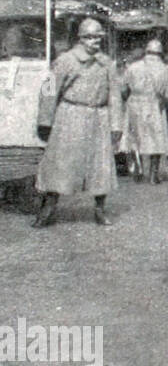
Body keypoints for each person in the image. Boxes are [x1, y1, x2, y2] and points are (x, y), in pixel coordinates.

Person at [32, 16, 123, 227]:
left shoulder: (107, 64)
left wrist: (116, 125)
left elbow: (115, 97)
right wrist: (45, 121)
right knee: (59, 165)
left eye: (98, 38)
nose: (95, 41)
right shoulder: (65, 61)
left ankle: (100, 210)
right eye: (90, 38)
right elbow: (48, 90)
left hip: (98, 117)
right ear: (81, 38)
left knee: (101, 167)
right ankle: (48, 209)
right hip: (69, 116)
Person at [121, 38, 168, 184]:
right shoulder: (165, 70)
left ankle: (138, 169)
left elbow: (123, 88)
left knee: (134, 138)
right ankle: (153, 175)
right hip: (154, 105)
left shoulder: (133, 67)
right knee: (156, 141)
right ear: (160, 53)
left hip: (134, 104)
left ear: (147, 51)